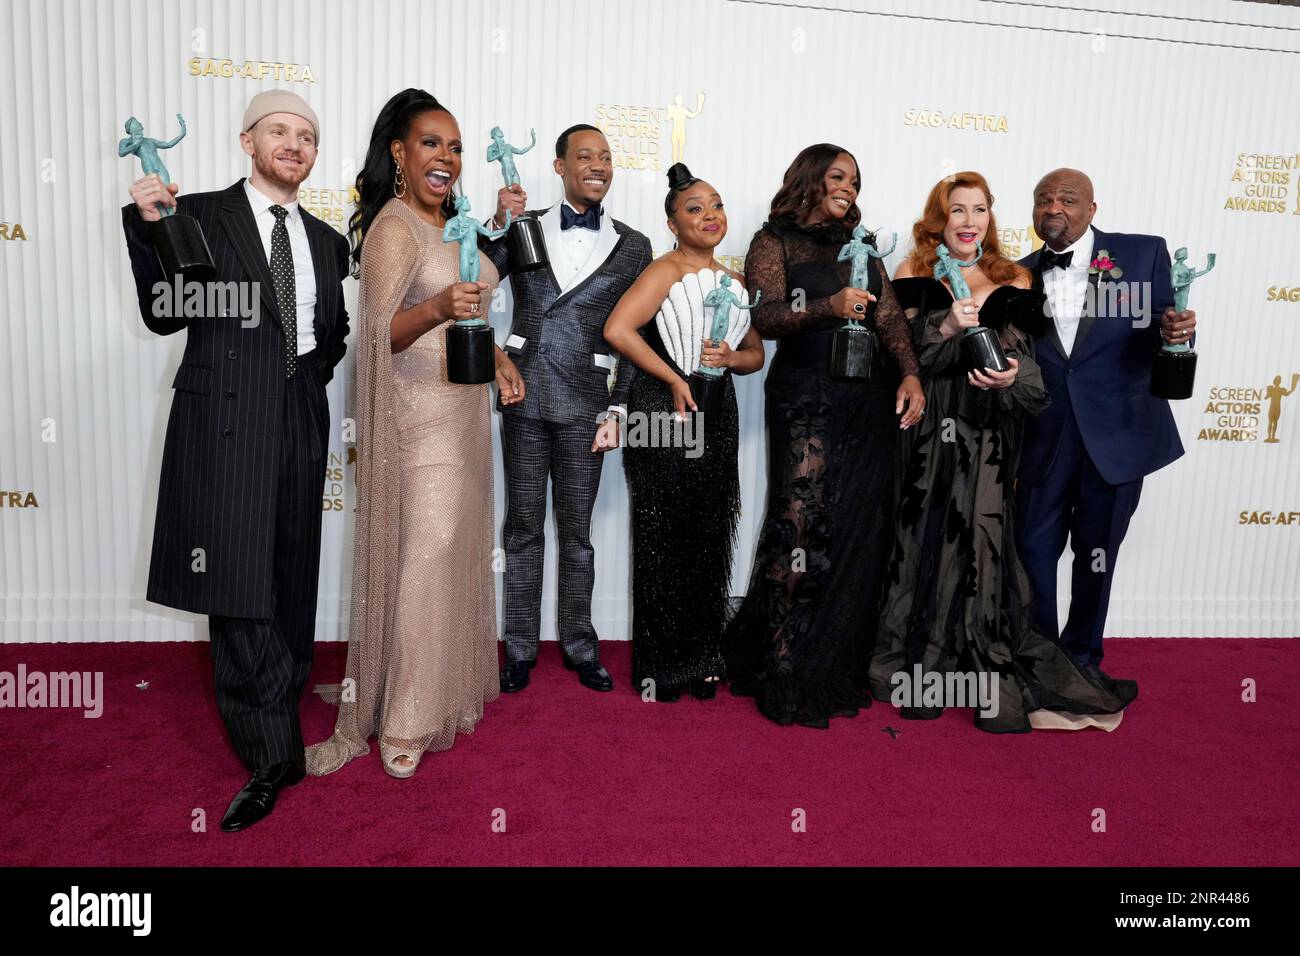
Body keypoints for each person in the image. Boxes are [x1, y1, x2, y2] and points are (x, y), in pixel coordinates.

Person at [120, 91, 349, 830]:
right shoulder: (202, 217)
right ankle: (271, 755)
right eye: (280, 131)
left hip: (299, 416)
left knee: (289, 576)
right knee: (239, 586)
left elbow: (330, 332)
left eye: (307, 136)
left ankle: (278, 713)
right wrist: (147, 226)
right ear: (247, 140)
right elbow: (167, 311)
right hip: (223, 419)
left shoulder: (323, 238)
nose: (294, 144)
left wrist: (305, 384)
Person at [868, 171, 1137, 732]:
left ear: (992, 217)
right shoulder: (911, 273)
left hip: (989, 434)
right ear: (938, 219)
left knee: (984, 539)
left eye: (979, 210)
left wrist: (1013, 375)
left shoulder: (1012, 277)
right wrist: (946, 325)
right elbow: (897, 361)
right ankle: (927, 667)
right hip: (928, 431)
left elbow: (1031, 374)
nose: (969, 222)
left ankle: (987, 666)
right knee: (926, 537)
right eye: (957, 210)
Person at [305, 90, 524, 778]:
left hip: (462, 412)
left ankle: (431, 687)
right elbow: (376, 334)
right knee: (425, 555)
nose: (448, 158)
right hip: (415, 417)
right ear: (399, 153)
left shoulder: (454, 224)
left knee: (449, 549)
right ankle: (401, 717)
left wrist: (499, 357)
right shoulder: (393, 227)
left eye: (456, 147)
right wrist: (432, 307)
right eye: (433, 143)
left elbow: (472, 311)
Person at [723, 143, 925, 728]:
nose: (849, 188)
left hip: (867, 400)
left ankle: (839, 654)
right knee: (800, 519)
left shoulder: (859, 245)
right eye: (838, 176)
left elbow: (887, 315)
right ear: (810, 179)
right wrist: (829, 303)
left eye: (856, 180)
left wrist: (910, 372)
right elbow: (765, 316)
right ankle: (782, 660)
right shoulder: (773, 241)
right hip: (806, 397)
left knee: (857, 525)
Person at [483, 125, 652, 694]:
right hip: (523, 395)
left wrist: (620, 409)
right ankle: (521, 648)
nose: (598, 165)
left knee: (577, 533)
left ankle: (580, 644)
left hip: (589, 403)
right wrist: (496, 222)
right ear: (559, 167)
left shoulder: (634, 245)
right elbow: (472, 275)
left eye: (606, 157)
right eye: (585, 156)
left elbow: (636, 335)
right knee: (524, 527)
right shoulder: (524, 228)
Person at [1017, 169, 1195, 668]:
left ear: (1091, 210)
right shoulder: (1017, 272)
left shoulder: (1141, 255)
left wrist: (1178, 335)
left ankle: (1083, 660)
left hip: (1115, 435)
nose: (1054, 207)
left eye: (1067, 199)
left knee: (1097, 555)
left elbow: (1166, 325)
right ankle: (1039, 659)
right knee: (1032, 550)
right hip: (1042, 435)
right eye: (1042, 199)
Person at [603, 163, 766, 702]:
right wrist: (674, 377)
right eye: (694, 209)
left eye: (716, 205)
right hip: (664, 408)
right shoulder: (664, 270)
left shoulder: (737, 282)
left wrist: (732, 356)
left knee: (709, 530)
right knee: (662, 537)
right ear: (673, 223)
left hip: (718, 411)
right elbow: (618, 330)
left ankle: (702, 655)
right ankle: (660, 666)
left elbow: (756, 356)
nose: (710, 215)